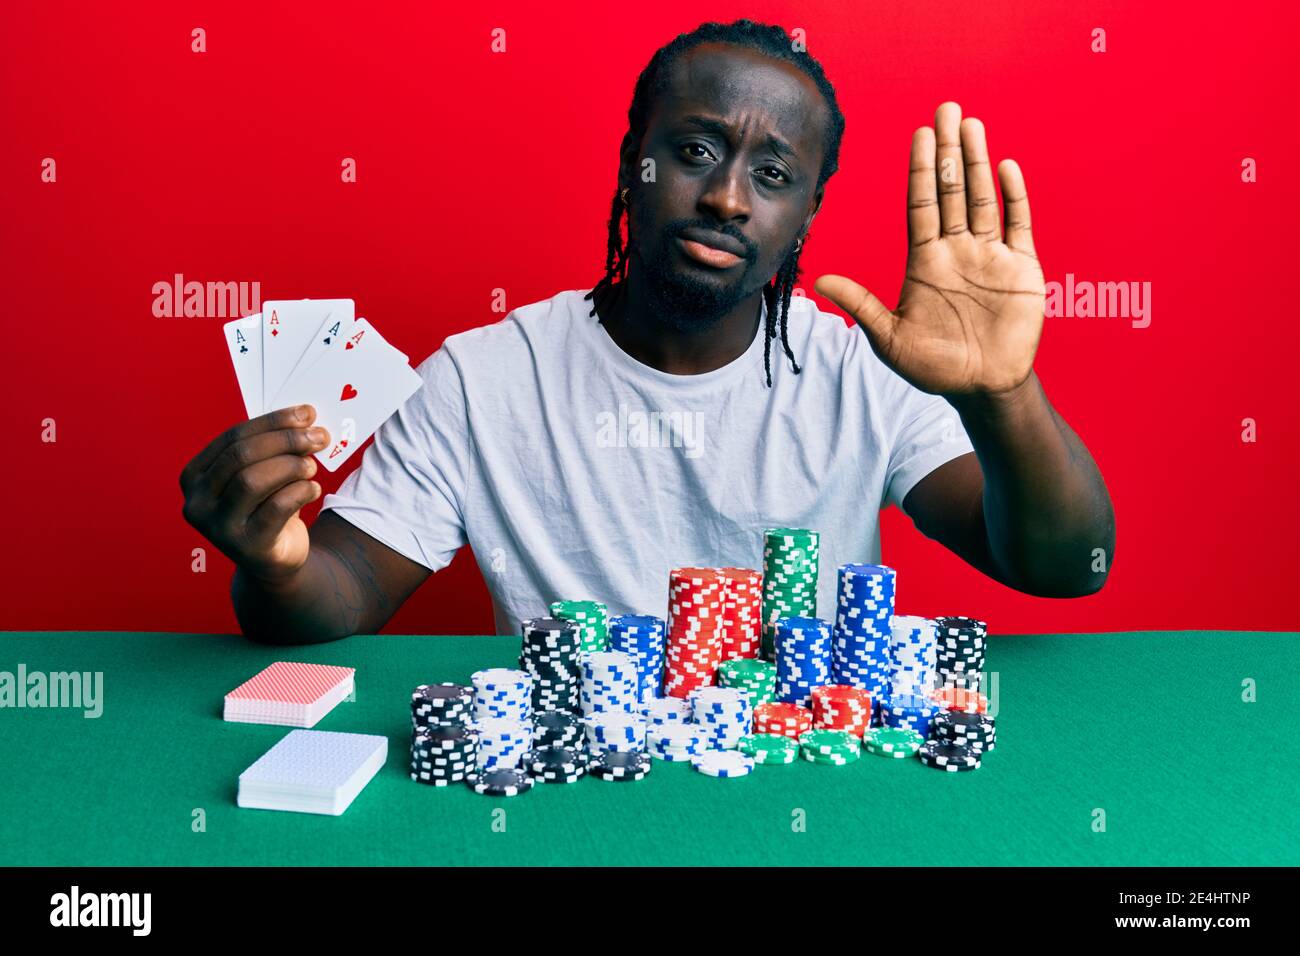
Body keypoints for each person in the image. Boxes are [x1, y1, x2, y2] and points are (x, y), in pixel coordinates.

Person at [179, 20, 1114, 645]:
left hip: (804, 792)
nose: (726, 197)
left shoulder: (855, 375)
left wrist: (1003, 393)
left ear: (807, 214)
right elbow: (337, 592)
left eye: (774, 175)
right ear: (634, 164)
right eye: (696, 151)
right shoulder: (484, 379)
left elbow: (1068, 569)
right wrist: (274, 561)